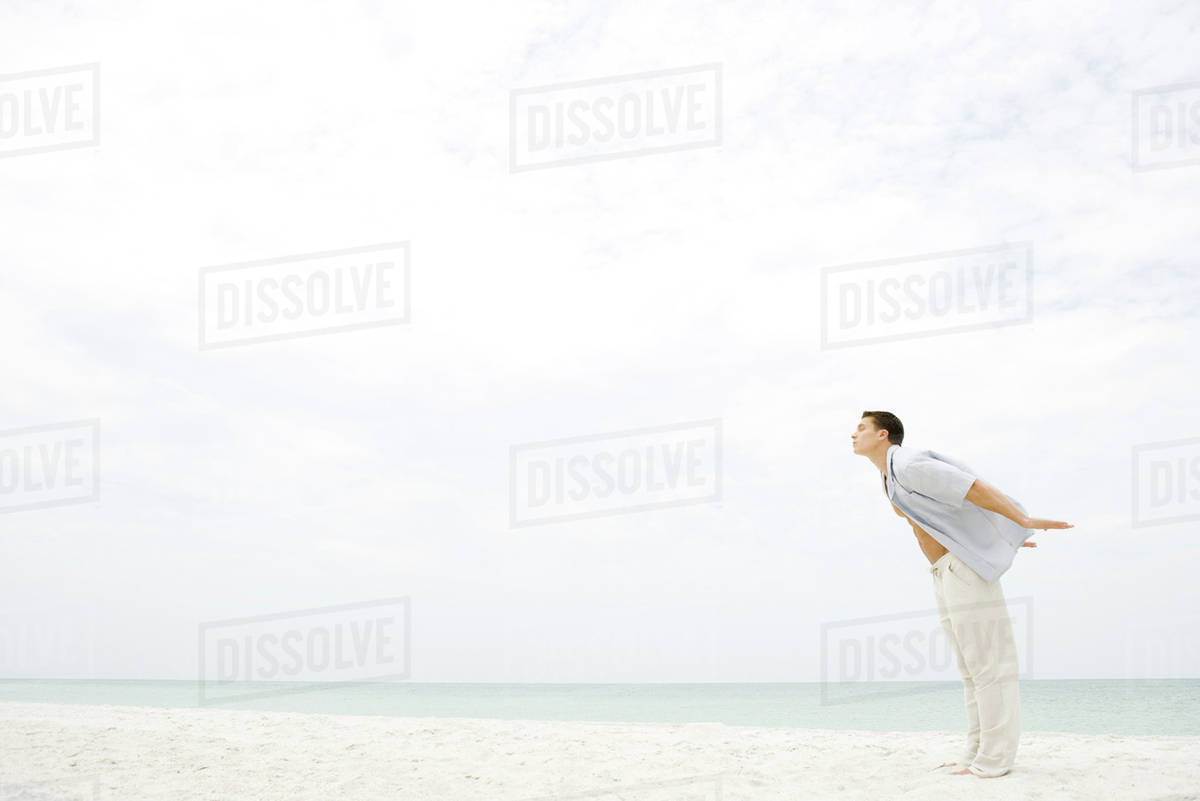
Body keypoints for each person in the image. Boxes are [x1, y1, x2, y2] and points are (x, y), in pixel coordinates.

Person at [851, 410, 1073, 778]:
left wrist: (1020, 522)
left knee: (991, 667)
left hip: (964, 568)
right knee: (971, 670)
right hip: (944, 572)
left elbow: (970, 487)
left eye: (861, 428)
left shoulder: (907, 463)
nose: (853, 433)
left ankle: (995, 759)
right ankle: (974, 753)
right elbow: (950, 513)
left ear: (883, 435)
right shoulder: (888, 477)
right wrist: (996, 536)